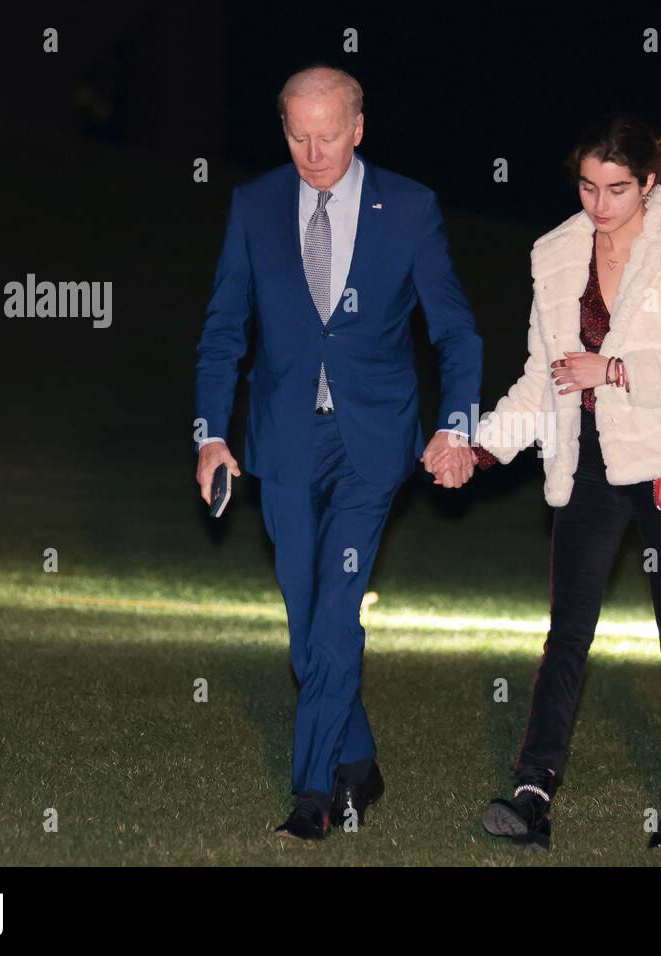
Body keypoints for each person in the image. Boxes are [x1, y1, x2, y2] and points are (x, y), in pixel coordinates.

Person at [426, 116, 661, 850]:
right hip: (588, 460)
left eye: (618, 189)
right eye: (589, 186)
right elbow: (544, 378)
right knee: (568, 628)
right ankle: (534, 791)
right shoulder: (559, 254)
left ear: (649, 182)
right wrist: (480, 452)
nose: (600, 204)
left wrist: (618, 370)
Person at [193, 65, 483, 839]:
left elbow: (456, 329)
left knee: (333, 619)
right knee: (305, 626)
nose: (313, 152)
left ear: (358, 128)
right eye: (297, 135)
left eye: (327, 135)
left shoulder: (409, 207)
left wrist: (457, 424)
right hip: (283, 442)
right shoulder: (253, 205)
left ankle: (314, 795)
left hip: (372, 444)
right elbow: (225, 329)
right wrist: (211, 435)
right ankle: (361, 760)